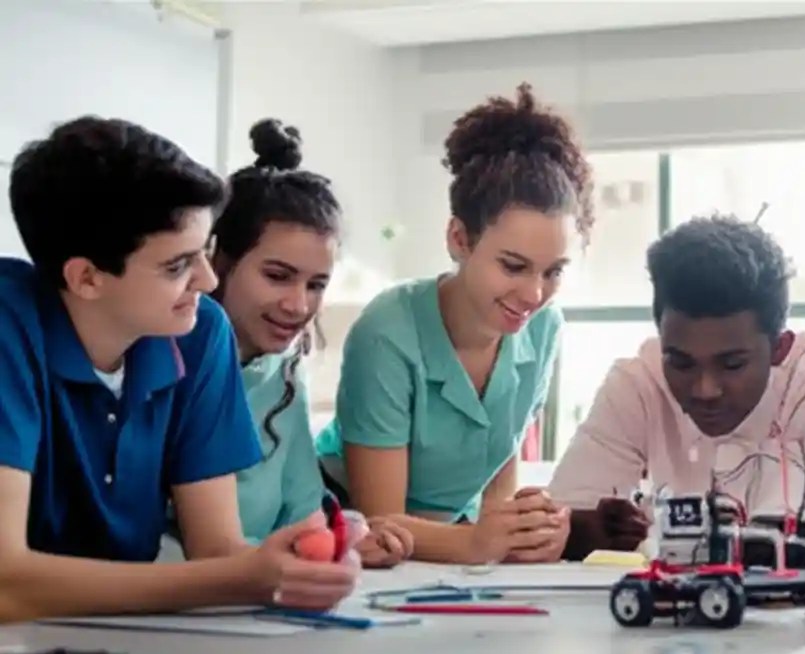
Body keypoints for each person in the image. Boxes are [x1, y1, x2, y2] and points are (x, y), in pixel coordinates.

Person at [0, 117, 358, 621]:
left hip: (112, 641)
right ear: (86, 278)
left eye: (205, 254)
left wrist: (290, 568)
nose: (208, 280)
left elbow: (216, 550)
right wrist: (240, 578)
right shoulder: (7, 327)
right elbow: (6, 584)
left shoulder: (199, 331)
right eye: (177, 266)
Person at [315, 84, 593, 565]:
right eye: (512, 265)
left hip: (449, 544)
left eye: (554, 271)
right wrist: (483, 542)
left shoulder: (544, 326)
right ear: (459, 239)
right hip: (351, 537)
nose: (534, 294)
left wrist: (523, 532)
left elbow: (499, 474)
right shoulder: (388, 332)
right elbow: (382, 523)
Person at [550, 215, 805, 561]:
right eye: (681, 363)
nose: (705, 390)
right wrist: (591, 529)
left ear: (780, 349)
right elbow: (560, 523)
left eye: (732, 365)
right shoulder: (637, 381)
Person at [210, 118, 414, 567]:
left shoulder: (284, 373)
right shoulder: (170, 368)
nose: (298, 305)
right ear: (219, 259)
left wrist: (345, 537)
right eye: (277, 276)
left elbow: (303, 511)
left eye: (317, 284)